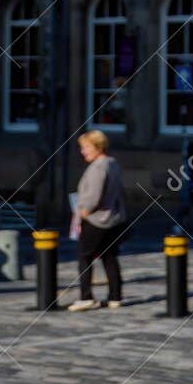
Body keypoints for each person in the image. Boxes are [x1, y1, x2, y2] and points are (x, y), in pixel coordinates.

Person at [68, 129, 129, 312]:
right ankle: (115, 296)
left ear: (97, 147)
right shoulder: (113, 164)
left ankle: (86, 297)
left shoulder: (98, 167)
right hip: (113, 219)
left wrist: (83, 212)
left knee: (84, 256)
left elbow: (93, 196)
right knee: (109, 257)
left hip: (96, 220)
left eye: (85, 147)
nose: (82, 151)